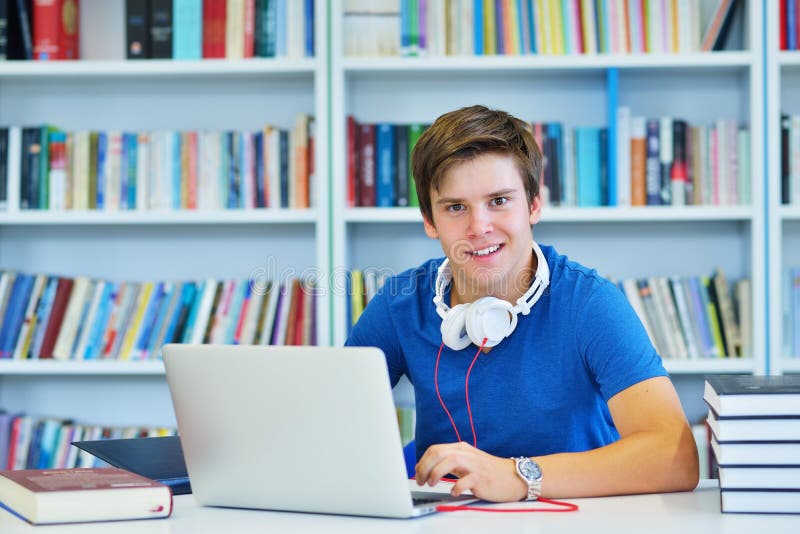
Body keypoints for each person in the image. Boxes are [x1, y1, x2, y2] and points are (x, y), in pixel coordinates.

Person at [345, 105, 699, 502]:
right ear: (430, 221)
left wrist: (516, 477)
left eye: (499, 201)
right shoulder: (400, 305)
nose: (479, 228)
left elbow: (675, 457)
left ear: (533, 205)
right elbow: (321, 420)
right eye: (456, 207)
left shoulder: (590, 303)